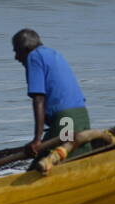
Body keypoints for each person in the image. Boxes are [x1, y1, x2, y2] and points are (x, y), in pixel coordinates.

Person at [11, 29, 89, 157]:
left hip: (66, 121)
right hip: (82, 118)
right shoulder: (54, 54)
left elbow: (38, 99)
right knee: (76, 158)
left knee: (42, 165)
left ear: (25, 49)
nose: (16, 57)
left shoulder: (33, 56)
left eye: (16, 51)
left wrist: (37, 140)